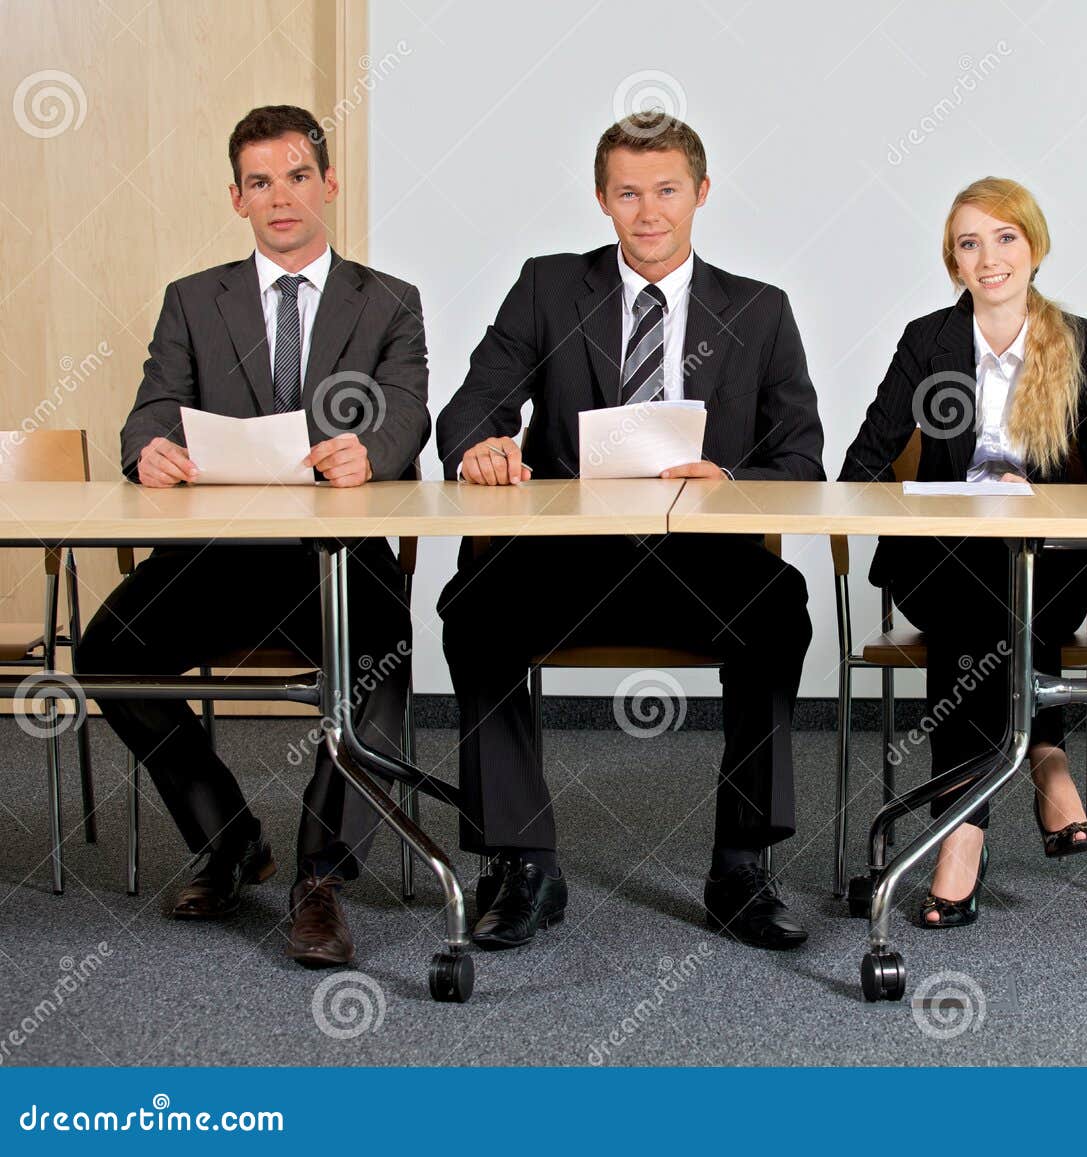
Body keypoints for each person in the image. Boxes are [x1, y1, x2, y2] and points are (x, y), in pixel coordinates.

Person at [436, 111, 824, 952]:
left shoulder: (759, 310)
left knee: (779, 607)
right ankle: (525, 862)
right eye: (627, 194)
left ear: (701, 194)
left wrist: (729, 478)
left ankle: (740, 868)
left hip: (699, 564)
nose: (648, 213)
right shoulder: (548, 287)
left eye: (667, 191)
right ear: (603, 200)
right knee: (471, 608)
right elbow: (468, 410)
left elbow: (802, 460)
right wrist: (483, 448)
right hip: (566, 563)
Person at [76, 105, 430, 966]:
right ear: (237, 197)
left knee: (384, 654)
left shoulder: (388, 301)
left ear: (329, 183)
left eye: (298, 176)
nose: (281, 196)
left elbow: (409, 413)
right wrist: (148, 450)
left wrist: (371, 454)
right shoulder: (194, 301)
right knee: (108, 652)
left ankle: (321, 879)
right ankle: (231, 838)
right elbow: (149, 411)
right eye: (261, 182)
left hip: (335, 562)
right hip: (215, 558)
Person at [839, 177, 1087, 928]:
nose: (989, 257)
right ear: (953, 260)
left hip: (1047, 555)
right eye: (969, 243)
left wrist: (1044, 504)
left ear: (1035, 246)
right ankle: (1043, 749)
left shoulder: (1074, 340)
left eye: (1005, 237)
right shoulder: (929, 340)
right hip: (944, 555)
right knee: (977, 596)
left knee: (996, 603)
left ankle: (959, 838)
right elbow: (862, 468)